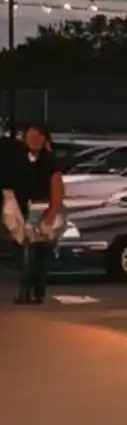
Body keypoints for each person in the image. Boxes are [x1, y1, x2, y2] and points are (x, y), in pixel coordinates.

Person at [10, 124, 64, 304]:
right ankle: (26, 291)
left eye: (36, 136)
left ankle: (34, 291)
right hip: (22, 210)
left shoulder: (50, 161)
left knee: (37, 253)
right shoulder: (19, 158)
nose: (32, 140)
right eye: (29, 136)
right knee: (26, 252)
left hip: (42, 210)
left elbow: (57, 189)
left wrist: (51, 214)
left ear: (43, 139)